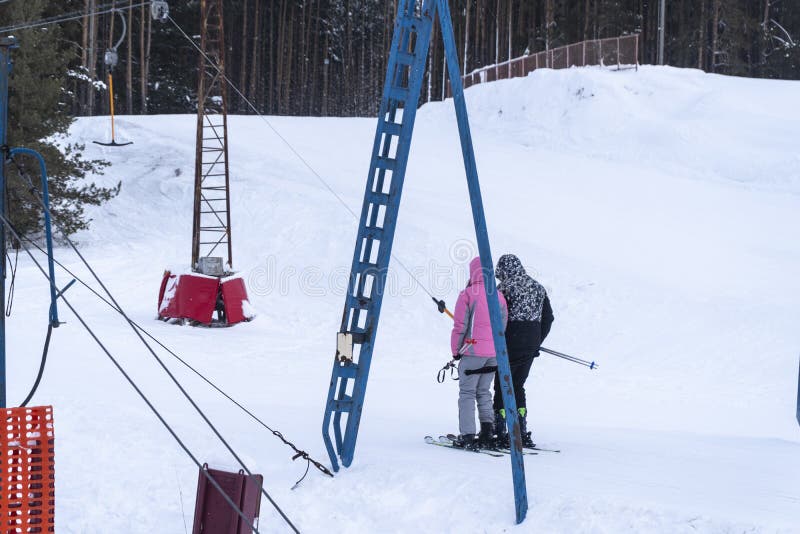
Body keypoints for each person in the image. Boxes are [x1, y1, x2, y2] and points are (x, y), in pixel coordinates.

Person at [492, 254, 554, 448]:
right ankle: (521, 429)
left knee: (502, 384)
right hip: (530, 343)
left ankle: (500, 429)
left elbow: (496, 317)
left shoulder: (503, 289)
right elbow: (548, 318)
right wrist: (536, 341)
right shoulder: (538, 287)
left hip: (509, 341)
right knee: (518, 385)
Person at [450, 257, 508, 449]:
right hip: (493, 354)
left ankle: (467, 435)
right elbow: (503, 326)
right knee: (484, 392)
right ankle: (487, 432)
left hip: (472, 351)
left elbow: (460, 326)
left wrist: (456, 351)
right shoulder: (499, 296)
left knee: (467, 393)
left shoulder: (467, 294)